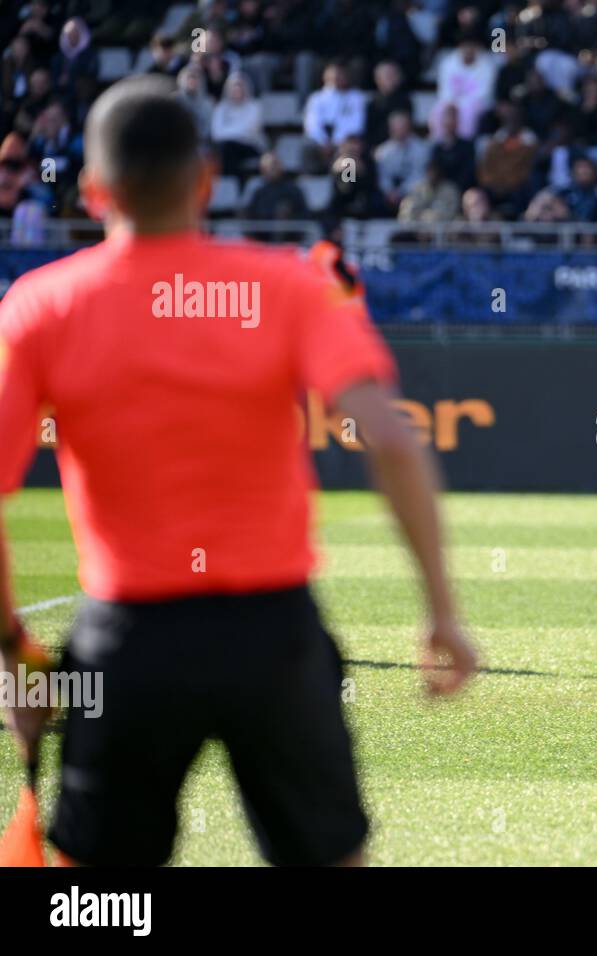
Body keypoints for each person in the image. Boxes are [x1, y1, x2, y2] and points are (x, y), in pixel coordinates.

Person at [0, 75, 476, 867]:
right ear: (208, 181)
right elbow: (392, 440)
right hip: (274, 636)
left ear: (89, 191)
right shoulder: (284, 284)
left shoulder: (41, 306)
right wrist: (442, 611)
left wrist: (16, 653)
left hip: (128, 643)